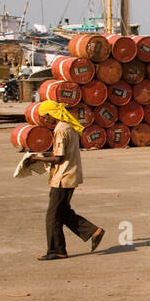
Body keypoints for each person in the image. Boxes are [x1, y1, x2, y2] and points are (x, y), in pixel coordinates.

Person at [27, 100, 105, 261]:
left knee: (53, 216)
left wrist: (36, 158)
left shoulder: (61, 130)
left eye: (45, 117)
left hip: (64, 177)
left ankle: (56, 250)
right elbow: (60, 153)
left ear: (51, 114)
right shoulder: (68, 126)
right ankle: (92, 231)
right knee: (62, 212)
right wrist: (41, 155)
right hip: (69, 174)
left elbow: (59, 157)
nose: (44, 120)